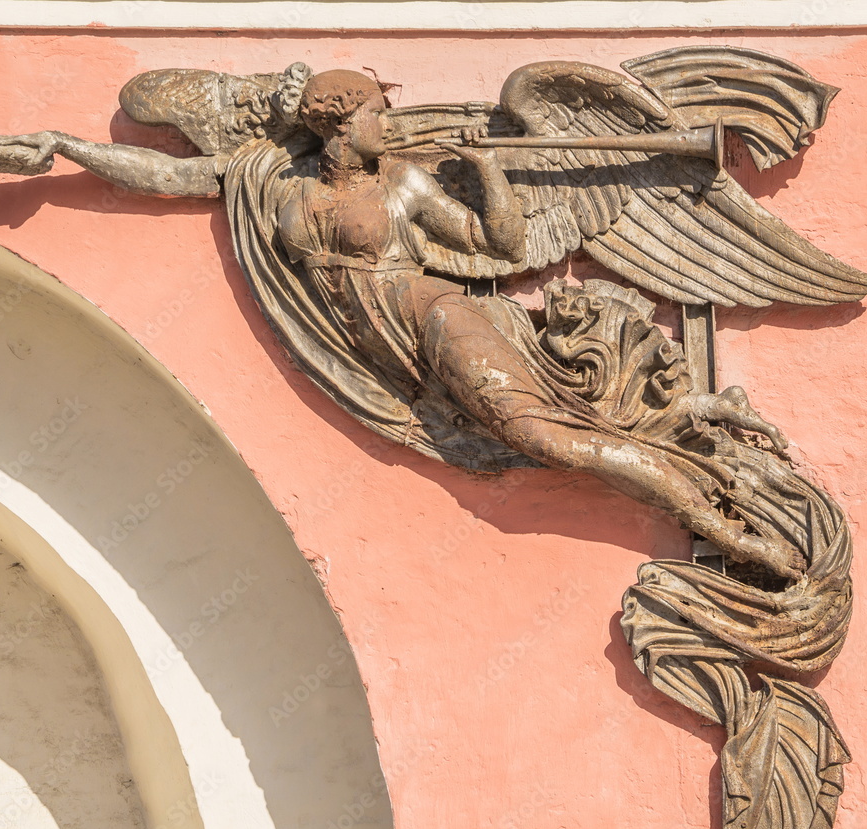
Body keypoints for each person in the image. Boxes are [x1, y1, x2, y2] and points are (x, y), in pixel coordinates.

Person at [277, 70, 803, 578]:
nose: (388, 126)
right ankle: (689, 414)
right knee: (558, 428)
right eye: (375, 114)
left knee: (545, 437)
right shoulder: (291, 196)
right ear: (341, 122)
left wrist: (486, 169)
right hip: (397, 354)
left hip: (436, 320)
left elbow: (499, 242)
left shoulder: (402, 182)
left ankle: (724, 531)